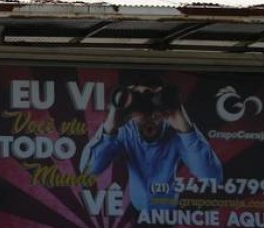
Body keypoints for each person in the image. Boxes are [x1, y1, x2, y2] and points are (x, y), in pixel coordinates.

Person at [79, 74, 222, 213]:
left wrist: (186, 130)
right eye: (139, 100)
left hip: (169, 210)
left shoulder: (176, 133)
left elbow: (212, 177)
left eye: (155, 100)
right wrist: (110, 126)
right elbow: (87, 173)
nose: (149, 113)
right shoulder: (125, 132)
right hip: (137, 208)